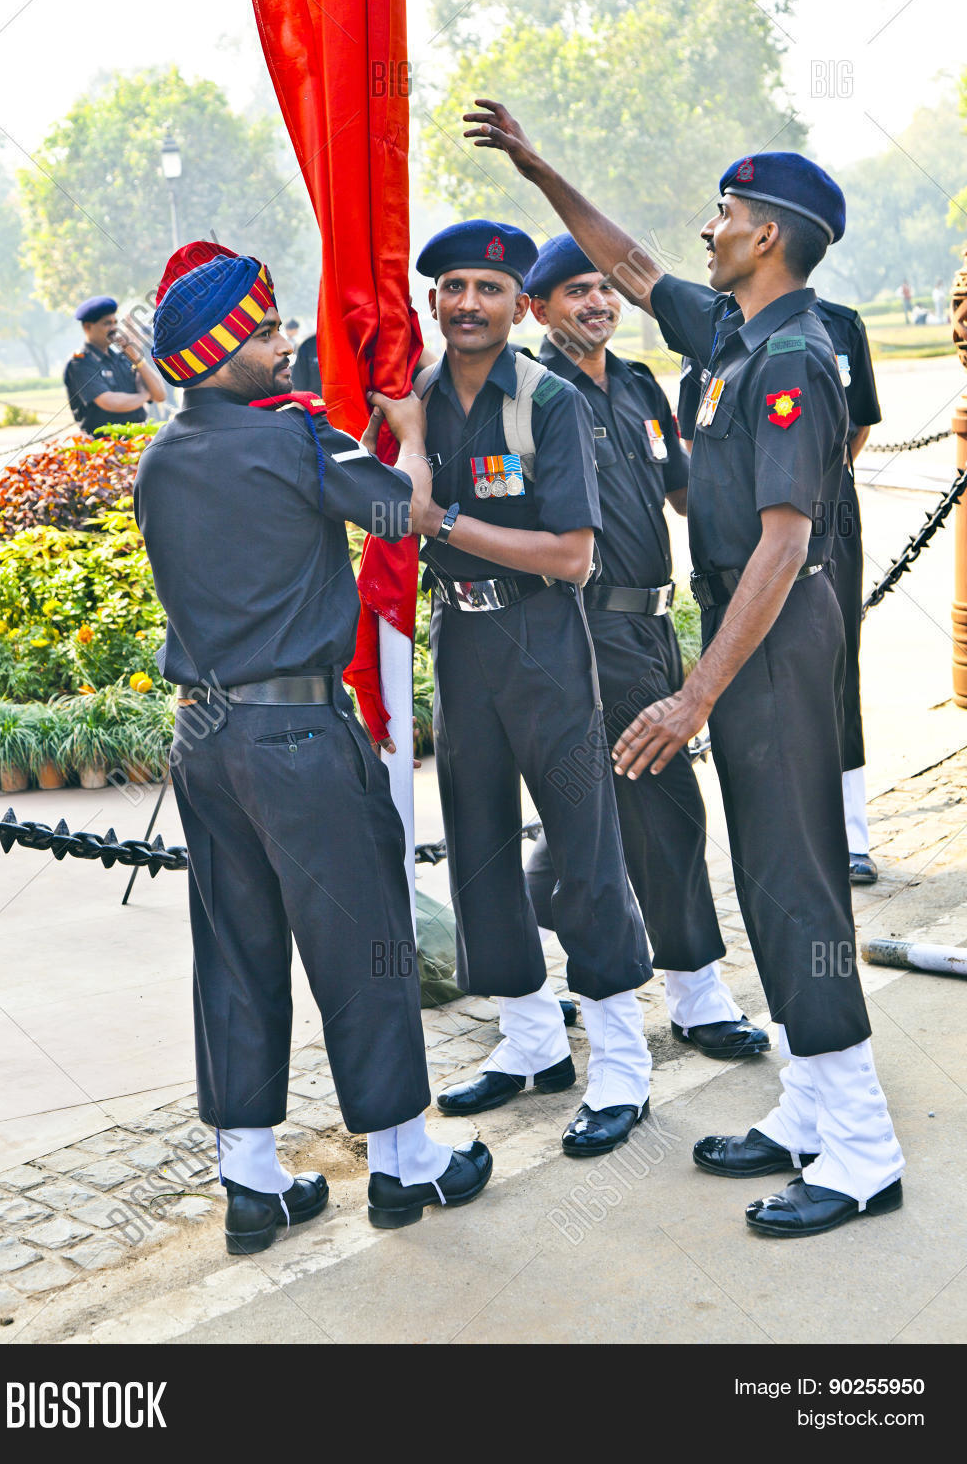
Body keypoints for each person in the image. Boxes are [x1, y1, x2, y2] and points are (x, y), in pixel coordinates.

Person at [464, 100, 904, 1236]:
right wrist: (537, 167)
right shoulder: (736, 334)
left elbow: (786, 539)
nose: (705, 230)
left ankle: (859, 1149)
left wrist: (692, 691)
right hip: (748, 639)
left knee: (797, 883)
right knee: (766, 873)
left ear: (766, 236)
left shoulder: (793, 358)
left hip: (771, 644)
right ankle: (809, 1107)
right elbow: (630, 261)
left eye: (724, 213)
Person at [134, 249, 492, 1250]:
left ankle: (251, 1182)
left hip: (204, 741)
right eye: (266, 333)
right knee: (367, 941)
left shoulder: (162, 459)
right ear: (220, 354)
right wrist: (410, 437)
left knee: (235, 952)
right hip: (295, 732)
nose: (286, 343)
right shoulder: (291, 442)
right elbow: (404, 514)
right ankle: (405, 1163)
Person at [413, 218, 655, 1159]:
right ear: (434, 302)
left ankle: (624, 1065)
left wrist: (447, 520)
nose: (468, 303)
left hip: (544, 638)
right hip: (460, 641)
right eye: (453, 288)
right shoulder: (420, 402)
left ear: (521, 306)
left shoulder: (546, 402)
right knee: (475, 845)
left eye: (487, 288)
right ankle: (531, 1041)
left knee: (586, 846)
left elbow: (571, 554)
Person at [518, 232, 769, 1059]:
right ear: (537, 308)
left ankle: (546, 956)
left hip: (656, 626)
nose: (597, 303)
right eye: (574, 292)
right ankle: (696, 993)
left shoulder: (635, 385)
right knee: (663, 809)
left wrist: (777, 502)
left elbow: (686, 491)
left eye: (603, 289)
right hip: (585, 629)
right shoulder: (528, 396)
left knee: (587, 814)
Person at [679, 298, 883, 884]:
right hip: (749, 530)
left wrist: (806, 479)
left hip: (827, 527)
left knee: (839, 668)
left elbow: (859, 421)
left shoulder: (839, 325)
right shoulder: (716, 331)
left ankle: (849, 832)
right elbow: (696, 433)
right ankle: (781, 839)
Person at [65, 296, 167, 435]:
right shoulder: (80, 362)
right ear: (88, 327)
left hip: (136, 442)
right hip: (104, 447)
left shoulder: (123, 358)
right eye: (107, 323)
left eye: (115, 322)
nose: (114, 328)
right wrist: (144, 396)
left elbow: (160, 395)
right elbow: (110, 402)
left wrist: (137, 358)